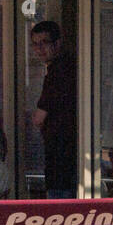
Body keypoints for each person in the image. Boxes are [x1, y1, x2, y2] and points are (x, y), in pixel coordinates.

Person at [31, 20, 77, 199]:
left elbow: (38, 118)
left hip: (62, 156)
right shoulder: (62, 68)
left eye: (45, 43)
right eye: (35, 44)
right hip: (62, 155)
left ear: (57, 43)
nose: (39, 49)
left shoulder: (59, 72)